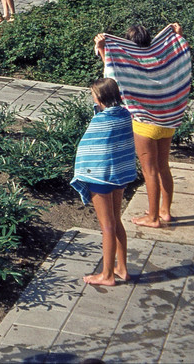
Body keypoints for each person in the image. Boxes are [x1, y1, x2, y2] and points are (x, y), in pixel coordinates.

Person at [95, 23, 192, 229]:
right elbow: (181, 54)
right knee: (163, 167)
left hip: (144, 124)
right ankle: (164, 211)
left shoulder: (130, 64)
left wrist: (104, 48)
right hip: (167, 121)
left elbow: (112, 78)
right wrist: (178, 36)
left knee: (149, 172)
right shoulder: (161, 59)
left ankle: (153, 218)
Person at [70, 77, 136, 286]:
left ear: (100, 98)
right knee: (116, 221)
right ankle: (122, 269)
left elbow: (89, 147)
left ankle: (107, 275)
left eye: (93, 95)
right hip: (119, 175)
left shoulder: (100, 121)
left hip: (99, 176)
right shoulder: (125, 115)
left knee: (106, 226)